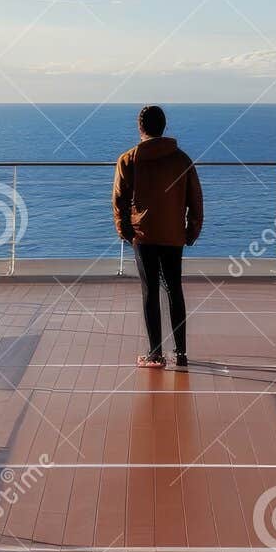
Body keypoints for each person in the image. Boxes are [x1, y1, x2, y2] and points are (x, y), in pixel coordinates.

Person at [113, 105, 204, 369]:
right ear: (164, 127)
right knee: (174, 288)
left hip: (143, 235)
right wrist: (191, 231)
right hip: (173, 234)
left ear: (140, 127)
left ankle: (155, 354)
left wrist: (125, 230)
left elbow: (119, 201)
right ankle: (181, 353)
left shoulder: (128, 159)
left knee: (150, 291)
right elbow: (195, 199)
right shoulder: (182, 160)